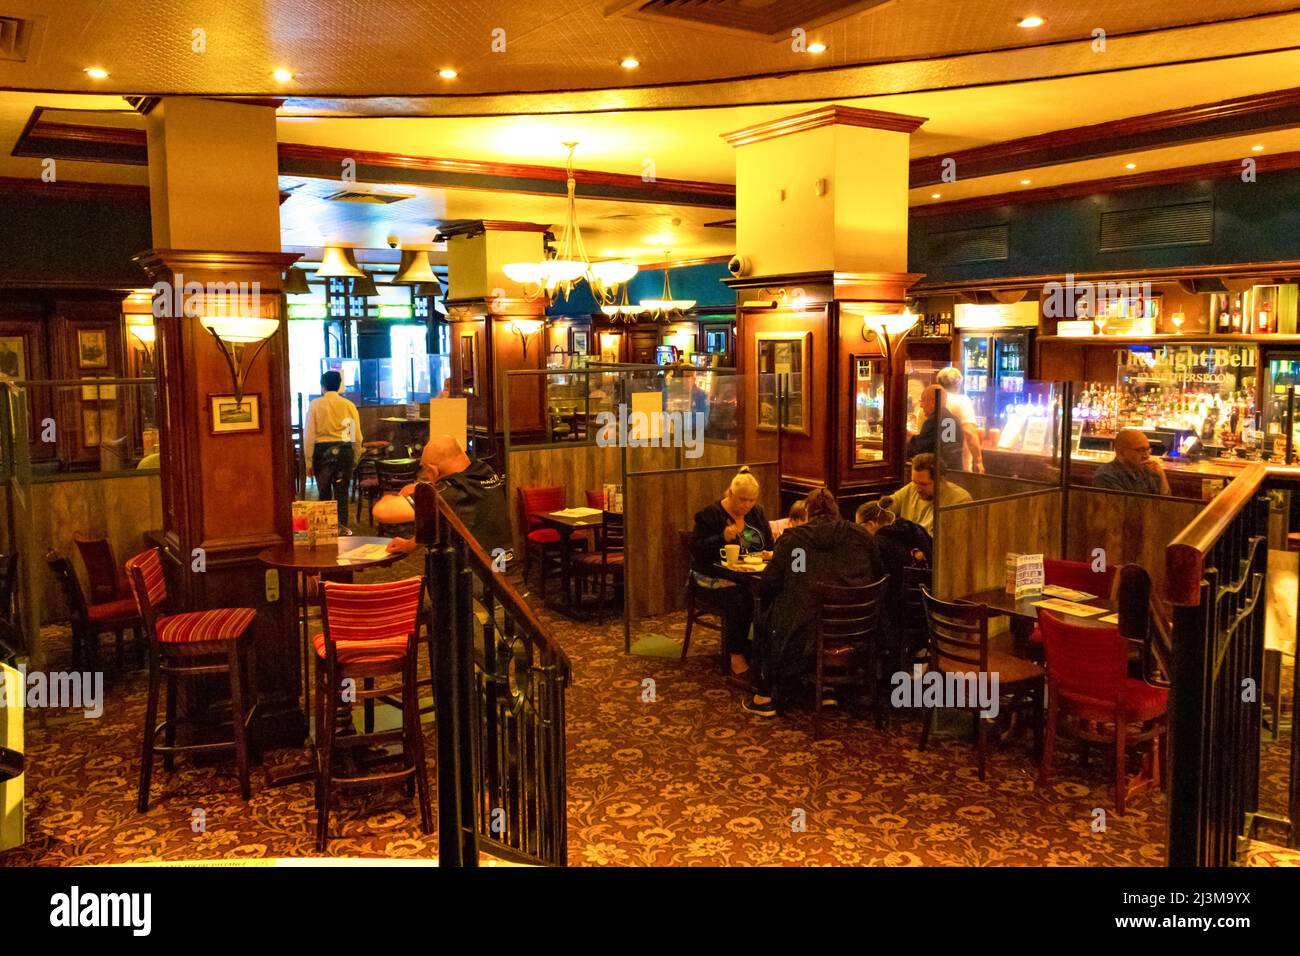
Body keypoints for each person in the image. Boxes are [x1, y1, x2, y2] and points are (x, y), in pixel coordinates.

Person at [744, 488, 880, 717]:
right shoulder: (860, 536)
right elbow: (878, 574)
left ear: (807, 513)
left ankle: (764, 696)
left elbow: (769, 584)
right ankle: (825, 687)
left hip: (802, 632)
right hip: (856, 628)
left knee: (768, 614)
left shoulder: (793, 540)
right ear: (836, 511)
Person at [691, 468, 773, 678]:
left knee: (774, 594)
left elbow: (769, 544)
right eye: (742, 499)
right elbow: (697, 551)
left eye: (751, 500)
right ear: (730, 493)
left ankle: (764, 651)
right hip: (712, 577)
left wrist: (767, 554)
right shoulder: (711, 514)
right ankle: (735, 655)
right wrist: (722, 537)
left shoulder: (757, 512)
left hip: (749, 574)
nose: (746, 505)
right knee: (740, 598)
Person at [386, 435, 514, 558]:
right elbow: (432, 524)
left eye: (426, 470)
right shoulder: (485, 472)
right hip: (507, 566)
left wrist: (392, 496)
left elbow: (384, 511)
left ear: (433, 470)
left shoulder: (450, 492)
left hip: (487, 576)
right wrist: (409, 545)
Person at [856, 497, 932, 659]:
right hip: (928, 617)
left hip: (897, 622)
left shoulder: (878, 545)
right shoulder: (915, 532)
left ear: (870, 525)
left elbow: (877, 587)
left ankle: (881, 676)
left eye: (859, 527)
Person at [305, 370, 363, 530]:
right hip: (344, 451)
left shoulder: (315, 405)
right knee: (342, 495)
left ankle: (326, 532)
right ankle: (343, 531)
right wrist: (356, 455)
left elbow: (309, 436)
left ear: (322, 386)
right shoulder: (349, 405)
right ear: (339, 386)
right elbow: (356, 435)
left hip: (321, 452)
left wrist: (308, 461)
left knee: (324, 495)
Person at [888, 452, 971, 535]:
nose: (918, 488)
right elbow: (886, 507)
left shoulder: (960, 500)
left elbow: (953, 540)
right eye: (914, 482)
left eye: (923, 484)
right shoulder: (911, 488)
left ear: (940, 480)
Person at [936, 366, 984, 474]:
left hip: (932, 463)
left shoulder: (931, 398)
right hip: (957, 463)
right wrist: (978, 461)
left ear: (938, 382)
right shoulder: (962, 401)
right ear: (959, 384)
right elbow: (969, 432)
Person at [1094, 428, 1170, 495]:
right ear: (1121, 452)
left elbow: (1164, 505)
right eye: (1141, 450)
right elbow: (1124, 508)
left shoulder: (1145, 471)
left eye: (1147, 450)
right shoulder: (1106, 476)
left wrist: (1162, 476)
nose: (1146, 455)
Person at [905, 384, 963, 473]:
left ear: (933, 401)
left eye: (923, 400)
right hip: (955, 472)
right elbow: (939, 444)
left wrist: (907, 440)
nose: (921, 405)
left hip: (937, 475)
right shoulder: (952, 419)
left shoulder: (933, 420)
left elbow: (919, 450)